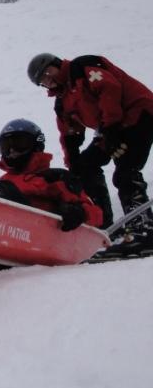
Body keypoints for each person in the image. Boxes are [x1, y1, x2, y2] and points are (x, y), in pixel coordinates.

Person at [27, 53, 153, 249]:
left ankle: (143, 229)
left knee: (125, 173)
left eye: (47, 73)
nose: (48, 80)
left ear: (56, 64)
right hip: (113, 128)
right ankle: (105, 226)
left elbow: (109, 89)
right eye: (42, 81)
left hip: (138, 114)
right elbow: (69, 135)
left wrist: (110, 127)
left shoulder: (82, 68)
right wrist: (73, 166)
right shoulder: (63, 101)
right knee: (85, 166)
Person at [0, 118, 104, 231]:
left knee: (6, 191)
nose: (12, 151)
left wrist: (80, 213)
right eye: (6, 146)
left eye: (19, 144)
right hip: (2, 228)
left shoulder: (55, 177)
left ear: (36, 145)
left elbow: (97, 214)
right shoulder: (3, 181)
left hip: (40, 231)